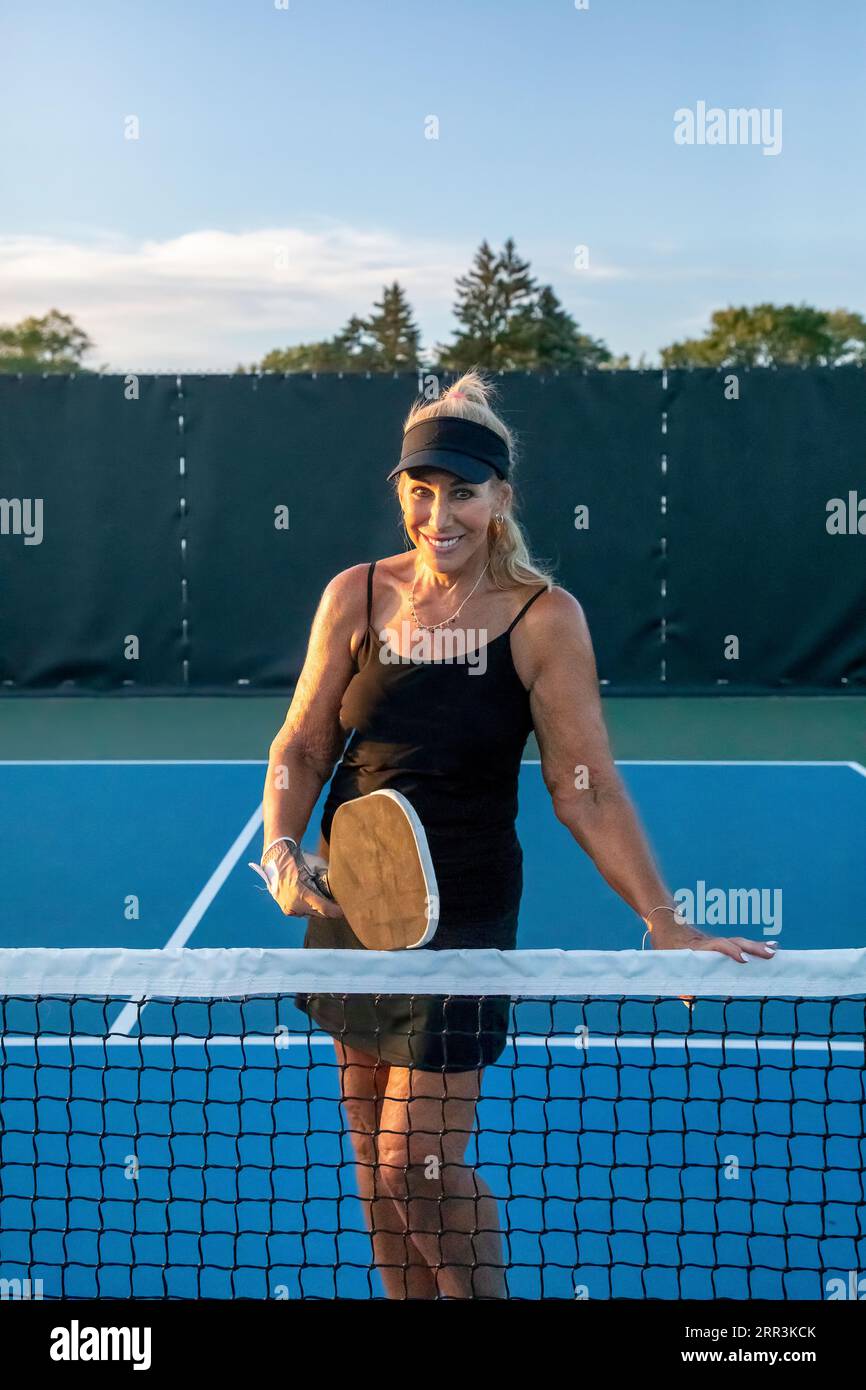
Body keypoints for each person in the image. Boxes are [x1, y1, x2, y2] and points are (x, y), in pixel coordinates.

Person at [259, 368, 776, 1300]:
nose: (439, 514)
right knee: (374, 1173)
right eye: (423, 491)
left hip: (462, 921)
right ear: (402, 492)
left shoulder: (544, 618)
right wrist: (282, 850)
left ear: (501, 497)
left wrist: (663, 920)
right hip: (354, 906)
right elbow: (302, 742)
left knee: (418, 1167)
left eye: (463, 491)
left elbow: (585, 789)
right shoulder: (357, 595)